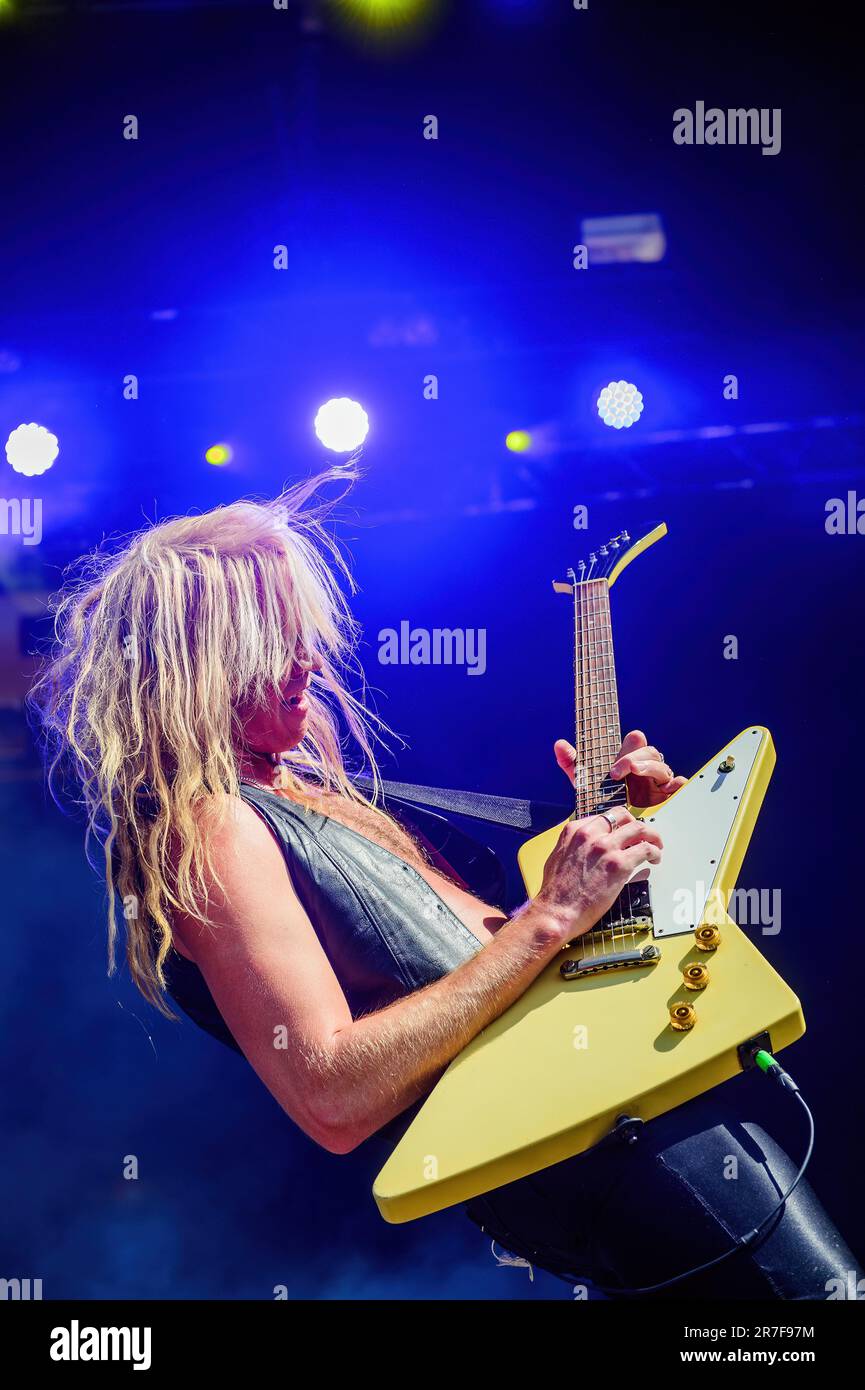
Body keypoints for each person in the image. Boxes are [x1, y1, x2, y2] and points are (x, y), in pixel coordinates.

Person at [29, 469, 859, 1299]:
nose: (308, 660)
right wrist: (552, 915)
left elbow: (544, 973)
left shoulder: (306, 801)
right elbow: (330, 1091)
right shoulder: (210, 826)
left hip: (645, 1127)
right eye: (276, 640)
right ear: (200, 662)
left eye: (304, 632)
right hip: (628, 1166)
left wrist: (650, 840)